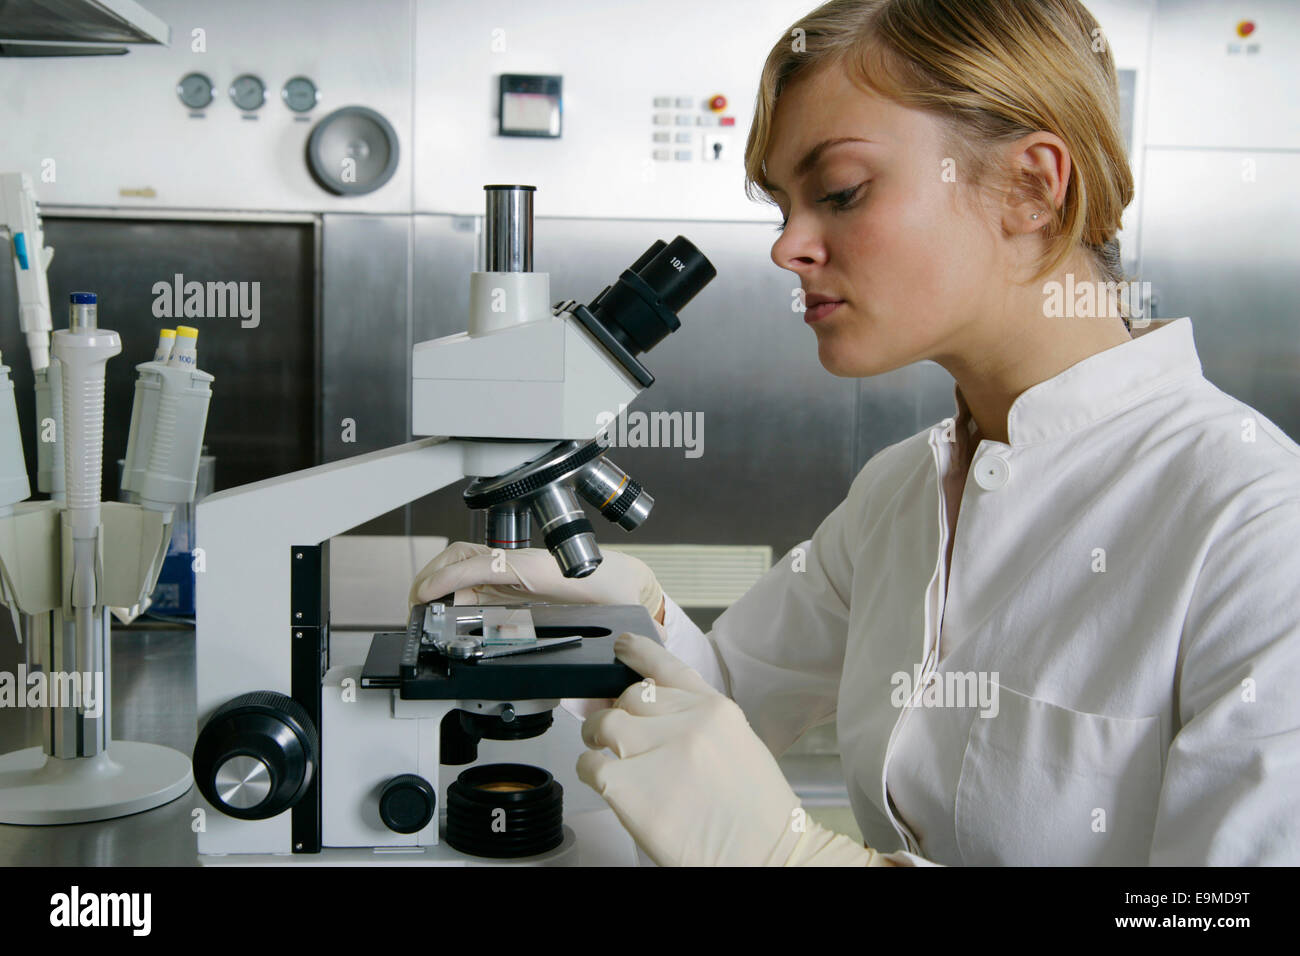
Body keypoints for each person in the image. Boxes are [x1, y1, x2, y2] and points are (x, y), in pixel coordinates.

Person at [411, 0, 1300, 866]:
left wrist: (796, 857)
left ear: (1031, 188)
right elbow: (724, 700)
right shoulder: (900, 491)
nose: (787, 246)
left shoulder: (1255, 526)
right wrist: (623, 609)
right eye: (782, 203)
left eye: (840, 191)